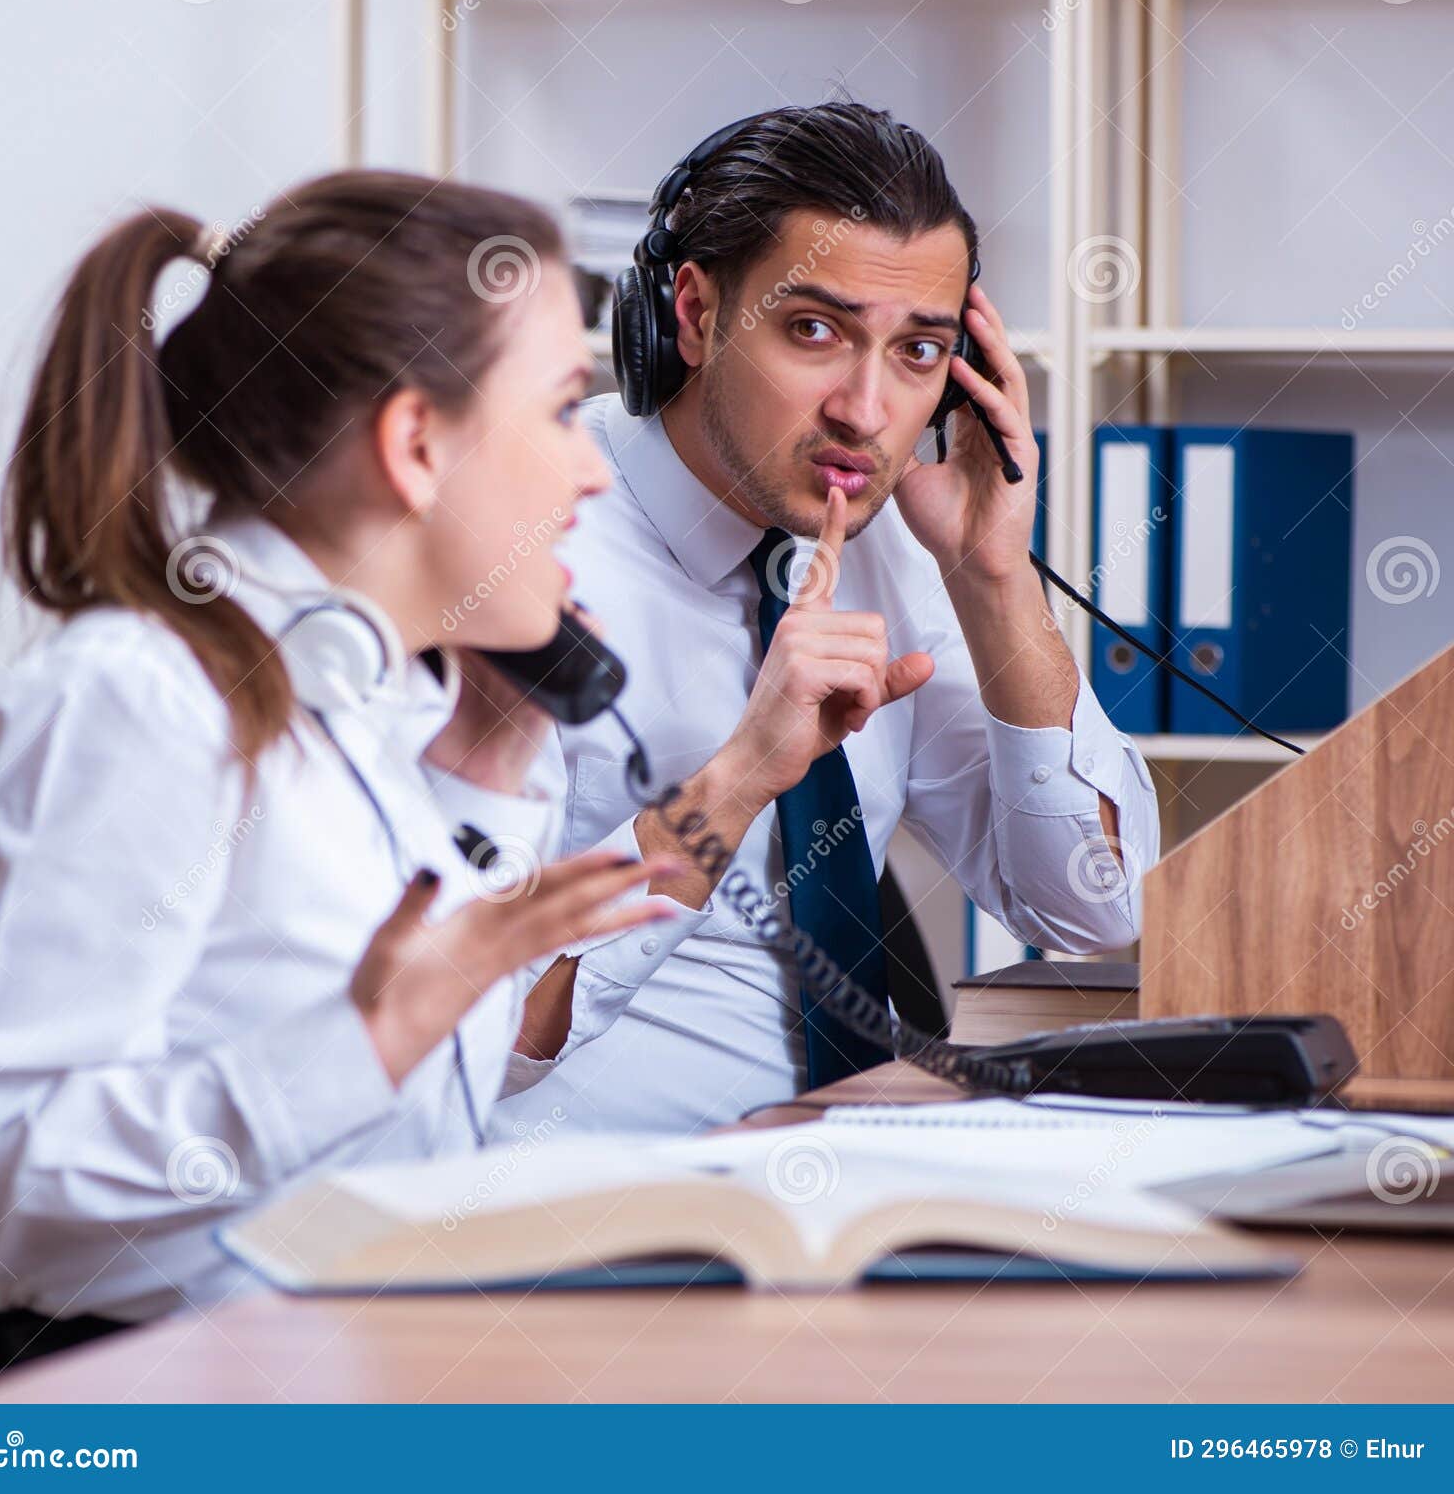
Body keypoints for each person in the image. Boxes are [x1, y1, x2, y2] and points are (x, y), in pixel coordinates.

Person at [0, 171, 680, 1381]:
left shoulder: (364, 716)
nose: (591, 472)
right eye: (566, 407)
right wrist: (355, 1042)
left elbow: (407, 1126)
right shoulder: (133, 703)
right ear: (416, 443)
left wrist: (492, 755)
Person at [494, 102, 1163, 1135]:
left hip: (857, 1190)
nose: (865, 409)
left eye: (917, 353)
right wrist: (734, 778)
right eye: (815, 331)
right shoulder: (521, 547)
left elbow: (1092, 911)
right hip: (573, 1212)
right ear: (694, 314)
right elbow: (459, 1027)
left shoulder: (892, 547)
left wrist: (992, 576)